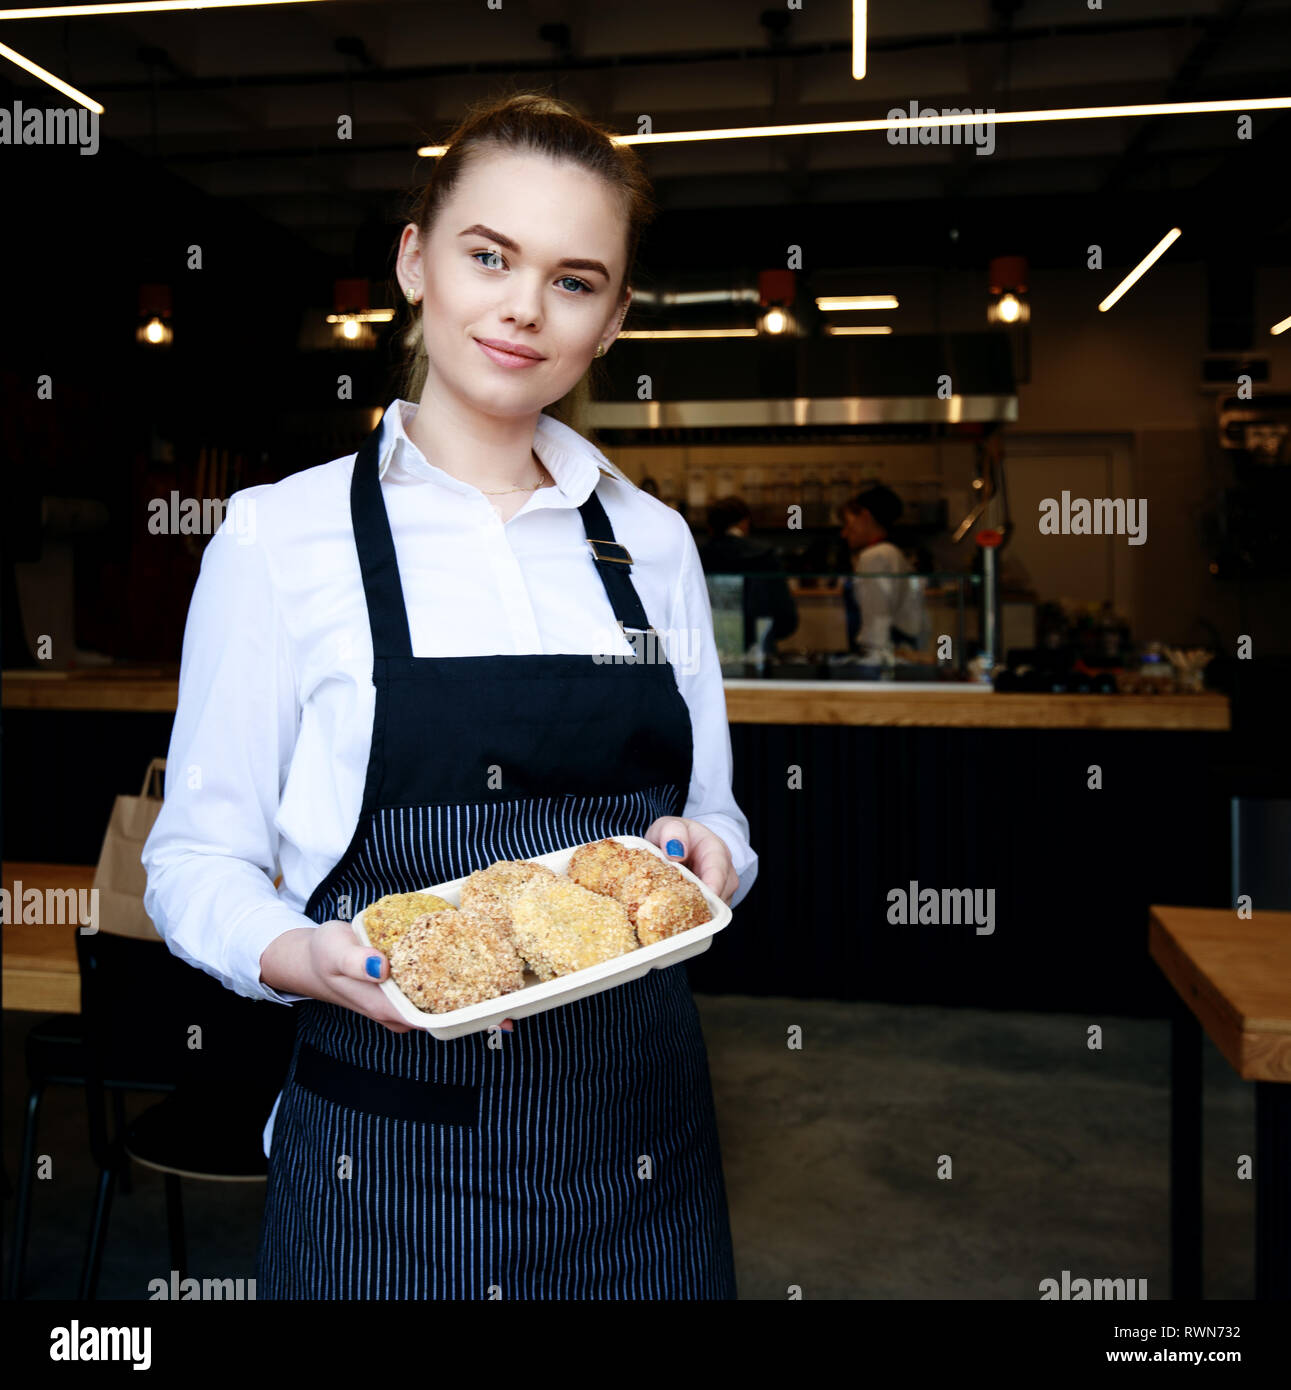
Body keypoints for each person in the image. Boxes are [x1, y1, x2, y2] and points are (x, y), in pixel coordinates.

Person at [141, 91, 757, 1300]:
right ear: (417, 261)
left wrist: (713, 861)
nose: (524, 307)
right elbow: (193, 859)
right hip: (387, 1159)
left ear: (613, 319)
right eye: (489, 256)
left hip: (643, 1148)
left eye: (574, 280)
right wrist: (297, 956)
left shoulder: (654, 544)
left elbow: (716, 819)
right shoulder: (280, 538)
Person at [698, 495, 799, 658]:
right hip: (759, 649)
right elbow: (786, 617)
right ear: (745, 522)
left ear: (711, 527)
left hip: (712, 652)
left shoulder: (698, 556)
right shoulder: (765, 555)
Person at [839, 484, 925, 658]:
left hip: (881, 657)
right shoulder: (891, 552)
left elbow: (876, 622)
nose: (844, 533)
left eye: (848, 524)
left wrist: (871, 663)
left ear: (864, 517)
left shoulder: (875, 556)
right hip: (898, 650)